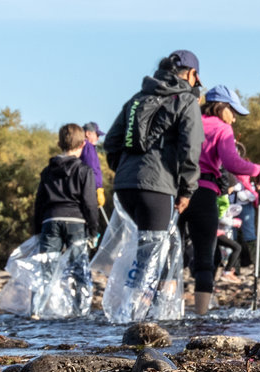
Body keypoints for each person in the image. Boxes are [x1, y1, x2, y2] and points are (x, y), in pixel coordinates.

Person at [101, 51, 205, 310]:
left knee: (147, 250)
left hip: (125, 187)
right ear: (192, 75)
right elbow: (190, 148)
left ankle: (135, 313)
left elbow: (111, 142)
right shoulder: (186, 100)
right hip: (157, 187)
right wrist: (187, 189)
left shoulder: (136, 99)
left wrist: (124, 169)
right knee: (154, 254)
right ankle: (140, 319)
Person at [184, 85, 260, 314]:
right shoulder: (222, 129)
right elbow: (232, 163)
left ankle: (159, 316)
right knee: (205, 258)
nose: (234, 119)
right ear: (222, 107)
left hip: (177, 191)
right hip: (203, 192)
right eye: (233, 112)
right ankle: (200, 317)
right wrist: (258, 170)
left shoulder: (189, 120)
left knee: (170, 252)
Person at [30, 123, 103, 315]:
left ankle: (37, 310)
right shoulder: (84, 171)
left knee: (46, 269)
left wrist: (37, 230)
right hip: (76, 223)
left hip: (50, 221)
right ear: (82, 145)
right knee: (79, 270)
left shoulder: (47, 171)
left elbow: (39, 203)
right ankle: (80, 312)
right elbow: (89, 204)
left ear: (59, 143)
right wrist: (93, 231)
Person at [79, 121, 105, 209]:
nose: (98, 138)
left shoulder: (83, 146)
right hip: (90, 189)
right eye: (97, 135)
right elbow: (91, 168)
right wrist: (97, 188)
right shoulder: (88, 147)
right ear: (88, 133)